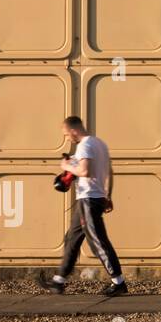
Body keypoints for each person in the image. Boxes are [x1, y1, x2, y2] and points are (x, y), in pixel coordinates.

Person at [38, 116, 127, 296]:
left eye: (66, 134)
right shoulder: (100, 144)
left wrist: (67, 166)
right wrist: (107, 195)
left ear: (73, 130)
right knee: (72, 239)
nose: (67, 138)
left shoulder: (85, 145)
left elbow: (85, 171)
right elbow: (109, 172)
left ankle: (119, 283)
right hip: (94, 198)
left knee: (97, 242)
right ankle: (58, 282)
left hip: (89, 199)